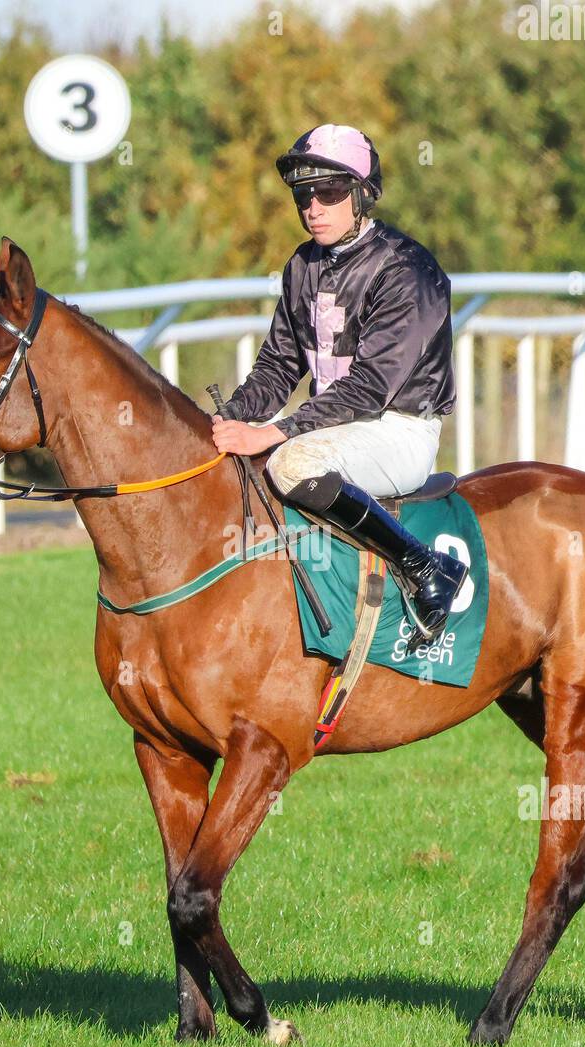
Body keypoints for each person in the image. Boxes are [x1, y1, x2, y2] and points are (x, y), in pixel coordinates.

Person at [211, 123, 469, 652]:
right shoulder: (301, 266)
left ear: (360, 196)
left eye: (329, 193)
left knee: (289, 462)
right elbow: (278, 368)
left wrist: (277, 432)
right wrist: (228, 419)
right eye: (305, 195)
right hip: (333, 429)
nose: (314, 207)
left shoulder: (407, 269)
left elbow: (371, 389)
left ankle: (426, 568)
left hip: (398, 429)